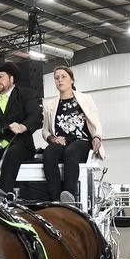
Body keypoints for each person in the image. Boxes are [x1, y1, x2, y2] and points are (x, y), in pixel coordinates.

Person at [0, 59, 43, 201]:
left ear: (11, 79)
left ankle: (1, 196)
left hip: (21, 145)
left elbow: (36, 117)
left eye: (1, 77)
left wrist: (22, 126)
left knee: (12, 153)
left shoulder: (26, 94)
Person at [42, 65, 105, 203]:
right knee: (49, 153)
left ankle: (69, 196)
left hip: (82, 140)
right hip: (62, 140)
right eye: (57, 78)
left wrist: (97, 136)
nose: (60, 80)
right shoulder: (50, 104)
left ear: (72, 80)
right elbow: (45, 130)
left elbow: (96, 122)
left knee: (71, 152)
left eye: (63, 76)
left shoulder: (85, 99)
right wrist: (52, 138)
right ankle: (55, 197)